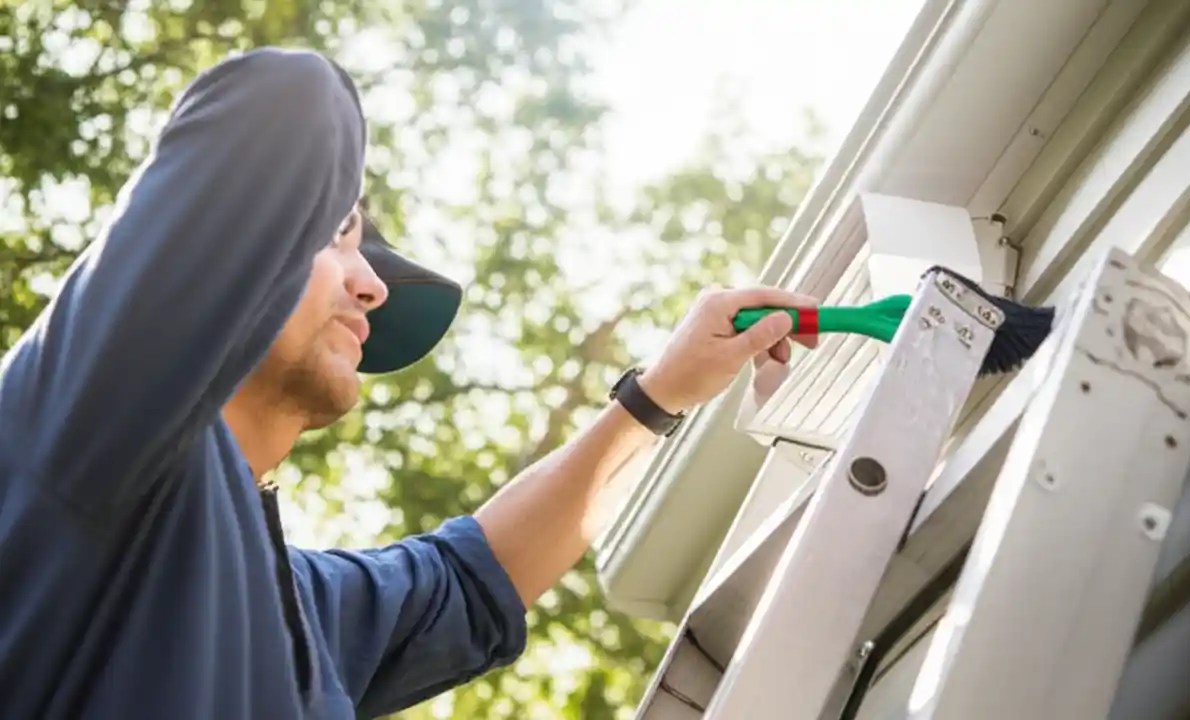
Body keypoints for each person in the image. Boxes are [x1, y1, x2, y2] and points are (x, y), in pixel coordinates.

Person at [0, 47, 816, 719]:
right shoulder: (100, 411)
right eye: (341, 236)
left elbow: (467, 580)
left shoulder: (300, 610)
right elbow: (290, 104)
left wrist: (658, 396)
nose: (373, 287)